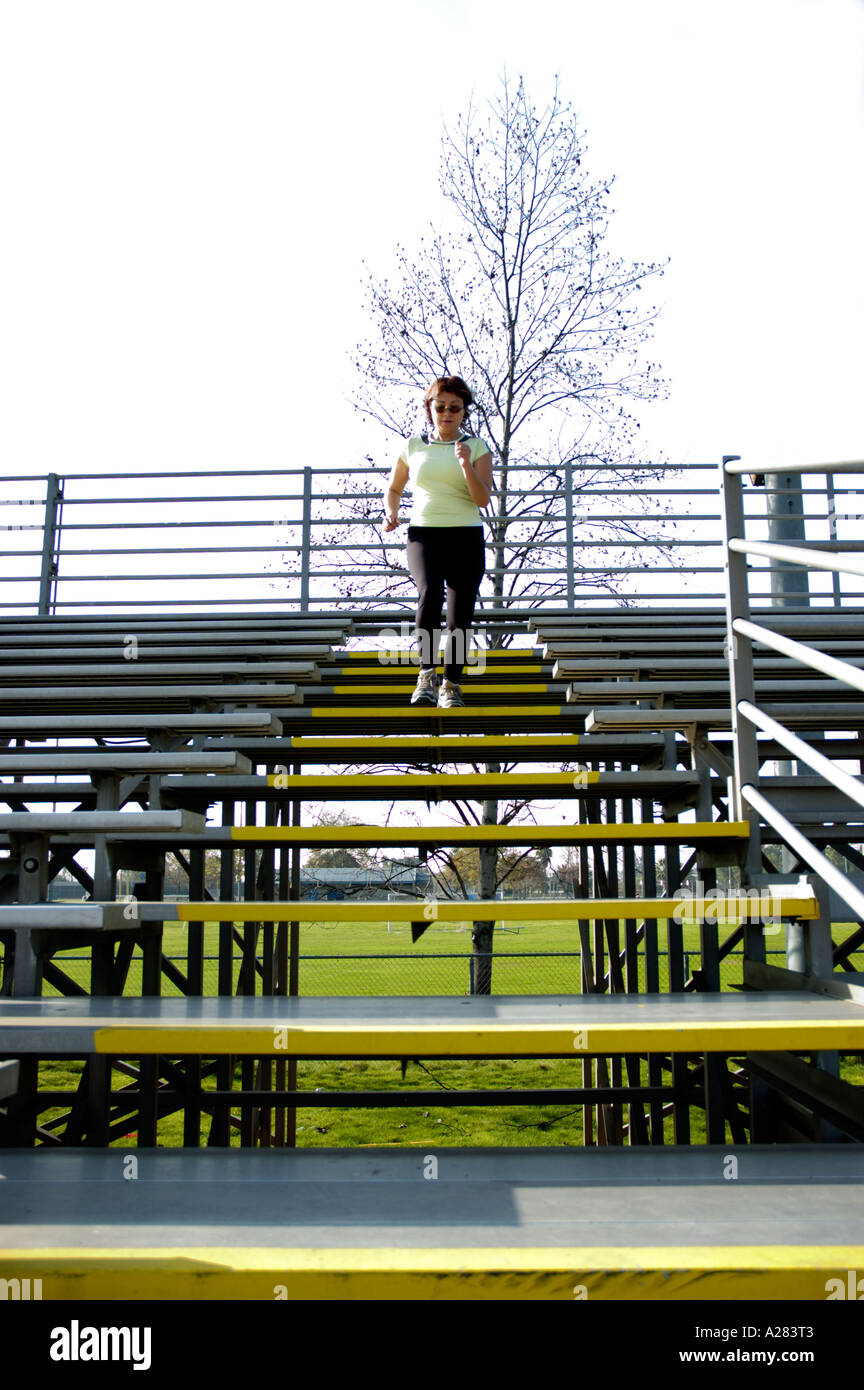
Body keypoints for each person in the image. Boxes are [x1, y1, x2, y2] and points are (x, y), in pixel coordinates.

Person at [384, 375, 493, 707]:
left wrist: (464, 464)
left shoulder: (476, 447)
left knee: (460, 613)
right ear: (429, 409)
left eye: (455, 408)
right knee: (429, 592)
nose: (447, 414)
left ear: (464, 412)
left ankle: (451, 684)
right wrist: (391, 512)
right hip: (425, 532)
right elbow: (394, 488)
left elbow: (482, 499)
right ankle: (426, 675)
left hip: (465, 535)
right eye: (441, 407)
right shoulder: (413, 446)